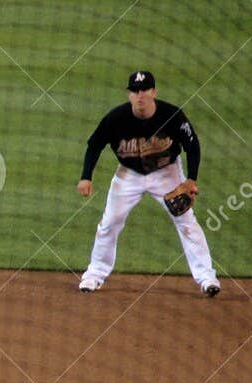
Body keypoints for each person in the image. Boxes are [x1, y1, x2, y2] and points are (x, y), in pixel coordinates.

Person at [77, 69, 220, 295]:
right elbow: (94, 145)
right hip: (128, 175)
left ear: (154, 91)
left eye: (144, 90)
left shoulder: (172, 115)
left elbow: (192, 145)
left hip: (167, 173)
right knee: (110, 222)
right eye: (135, 91)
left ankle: (207, 278)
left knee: (186, 222)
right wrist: (86, 176)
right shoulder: (115, 118)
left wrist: (191, 179)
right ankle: (94, 275)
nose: (140, 95)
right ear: (128, 94)